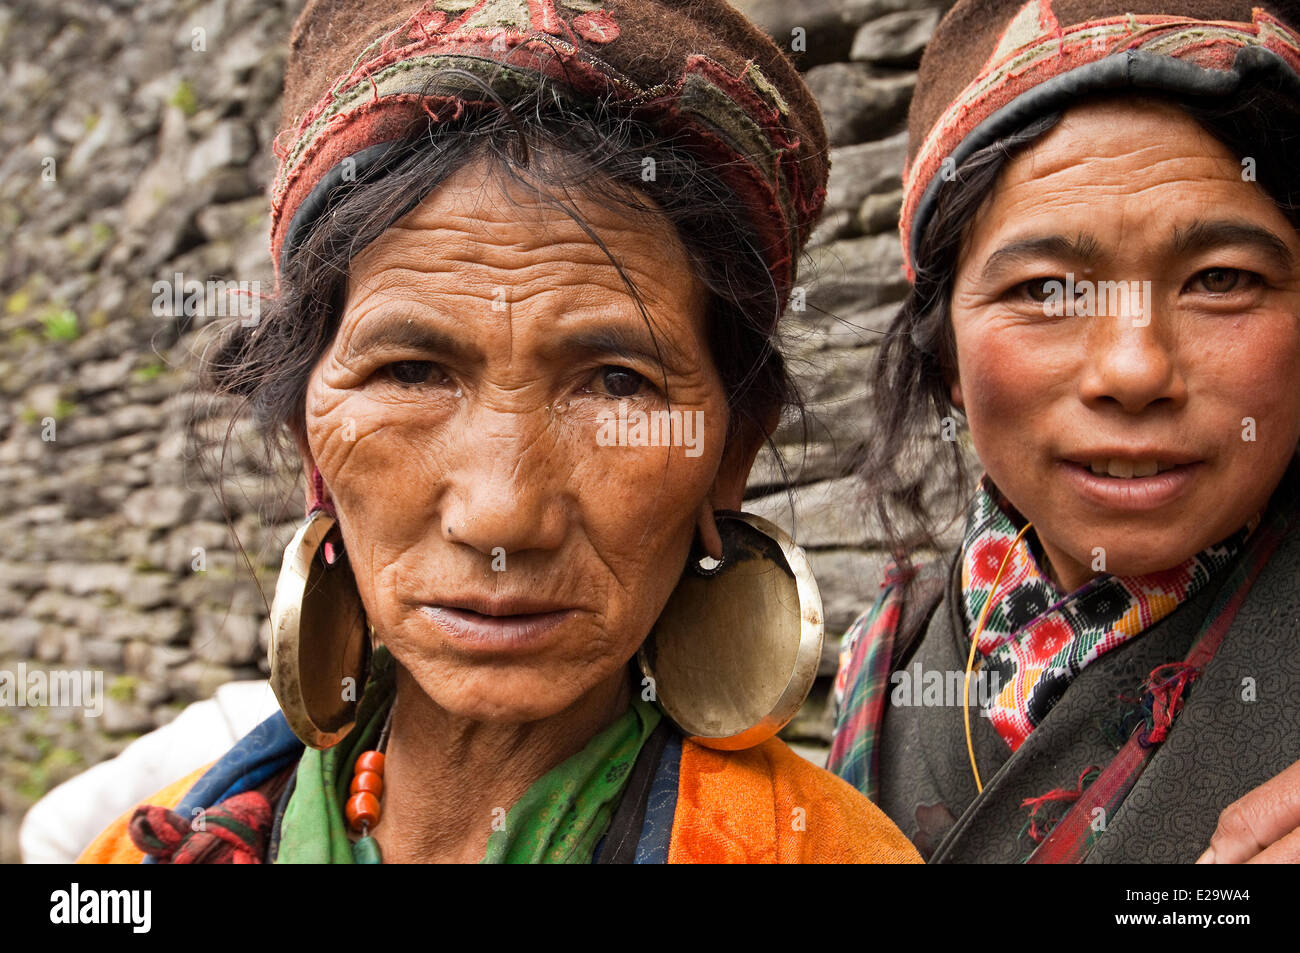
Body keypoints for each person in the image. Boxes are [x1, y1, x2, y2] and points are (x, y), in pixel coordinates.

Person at [78, 0, 918, 864]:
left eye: (618, 383)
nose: (503, 516)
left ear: (728, 455)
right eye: (411, 372)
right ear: (309, 440)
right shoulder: (132, 859)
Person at [829, 0, 1300, 863]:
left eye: (1221, 278)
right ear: (944, 357)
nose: (1133, 371)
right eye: (1047, 290)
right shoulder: (883, 675)